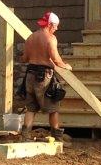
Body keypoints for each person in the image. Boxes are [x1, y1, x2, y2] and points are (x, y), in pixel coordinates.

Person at [22, 11, 71, 142]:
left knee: (31, 108)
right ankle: (57, 137)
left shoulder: (30, 37)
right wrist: (65, 65)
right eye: (55, 26)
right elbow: (55, 58)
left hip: (30, 75)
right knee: (53, 107)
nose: (57, 29)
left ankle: (25, 136)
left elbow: (25, 58)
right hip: (44, 76)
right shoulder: (50, 38)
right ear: (50, 24)